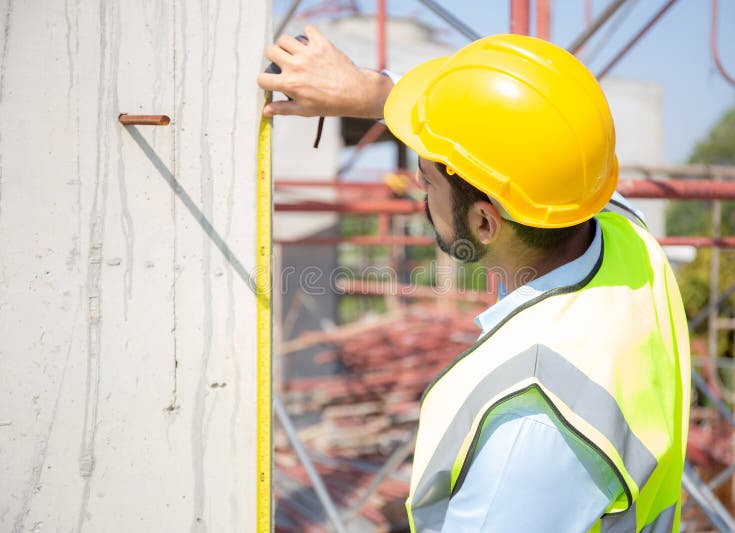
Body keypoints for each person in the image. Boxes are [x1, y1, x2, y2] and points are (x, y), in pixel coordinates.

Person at [259, 25, 691, 533]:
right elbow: (528, 135)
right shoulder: (622, 233)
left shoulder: (530, 424)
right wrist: (368, 91)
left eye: (427, 178)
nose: (418, 188)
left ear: (485, 222)